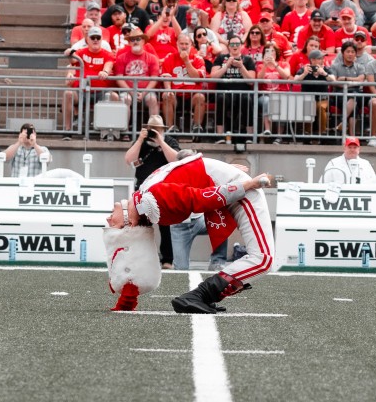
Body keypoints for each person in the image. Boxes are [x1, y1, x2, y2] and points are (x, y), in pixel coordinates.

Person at [116, 154, 280, 314]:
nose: (110, 219)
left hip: (232, 186)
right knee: (263, 258)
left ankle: (206, 294)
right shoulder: (146, 193)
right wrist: (236, 177)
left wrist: (240, 180)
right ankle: (201, 295)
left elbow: (193, 183)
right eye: (113, 222)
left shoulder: (150, 198)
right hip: (230, 186)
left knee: (263, 259)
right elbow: (193, 182)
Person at [126, 115, 182, 264]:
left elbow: (177, 159)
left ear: (163, 130)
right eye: (152, 129)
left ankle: (167, 260)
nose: (154, 132)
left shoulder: (169, 142)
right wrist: (139, 140)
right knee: (143, 226)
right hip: (143, 191)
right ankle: (144, 259)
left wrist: (161, 141)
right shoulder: (141, 142)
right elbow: (128, 160)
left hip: (164, 190)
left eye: (158, 129)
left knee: (166, 226)